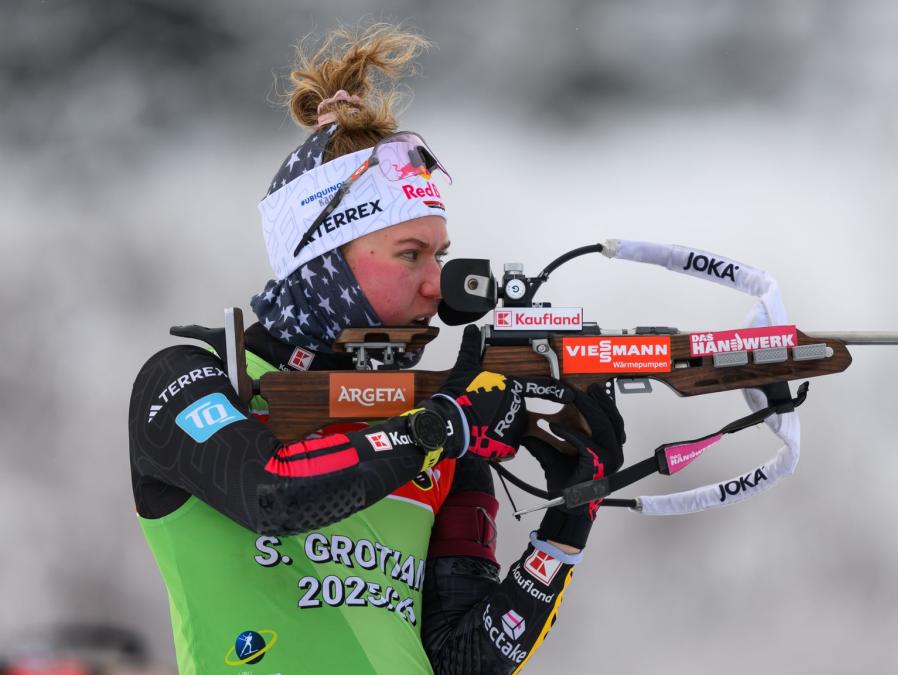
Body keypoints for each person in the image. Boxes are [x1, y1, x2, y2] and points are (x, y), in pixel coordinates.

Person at [128, 24, 624, 675]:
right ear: (324, 260)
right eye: (410, 255)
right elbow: (272, 491)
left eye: (439, 256)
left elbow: (463, 660)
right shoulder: (197, 377)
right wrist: (442, 425)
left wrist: (567, 524)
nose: (436, 284)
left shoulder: (443, 418)